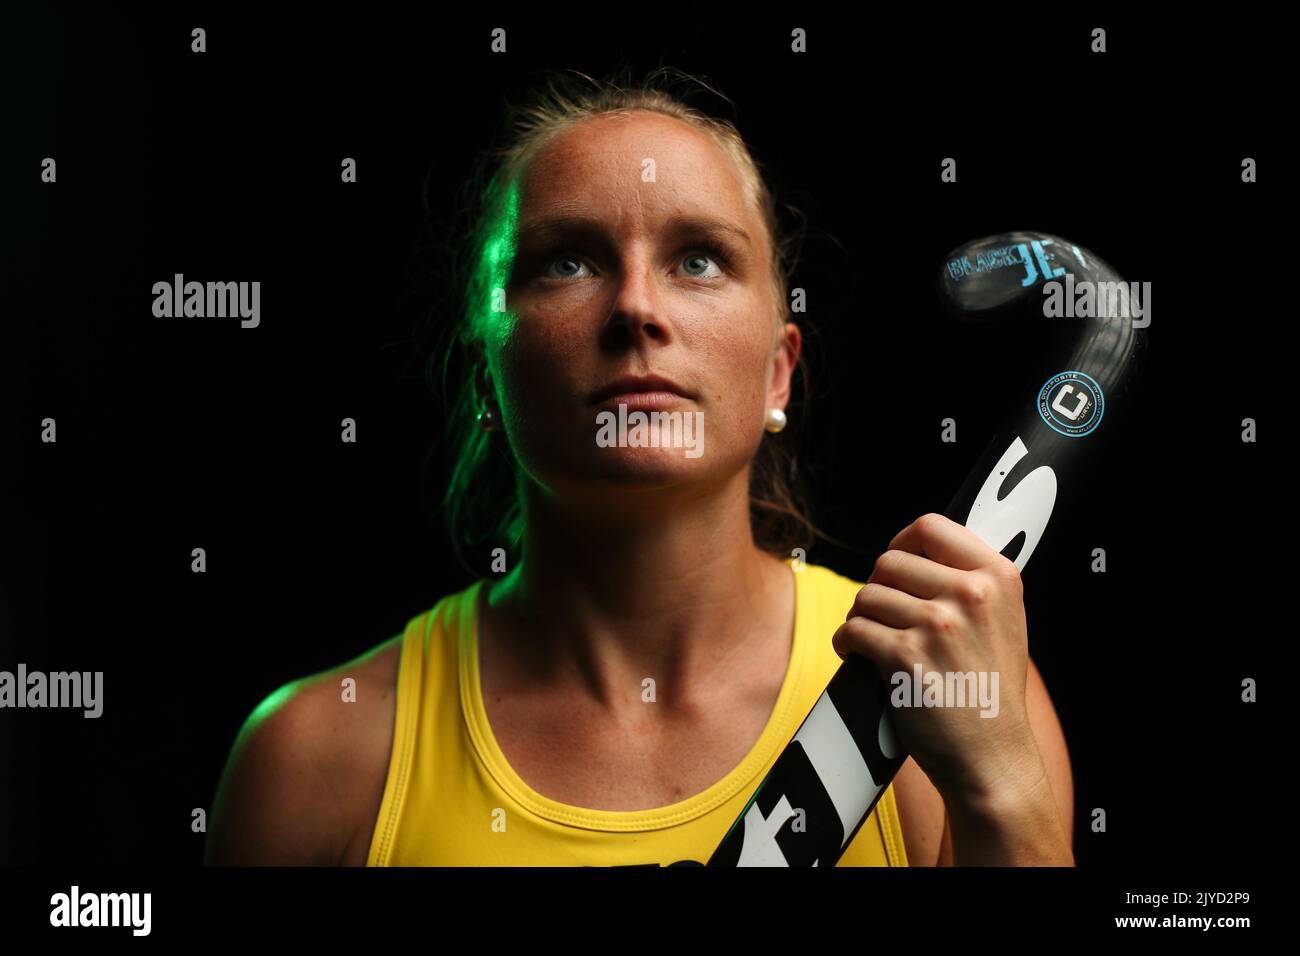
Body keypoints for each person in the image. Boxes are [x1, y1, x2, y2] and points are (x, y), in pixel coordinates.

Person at [205, 67, 1074, 867]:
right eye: (569, 260)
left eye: (698, 259)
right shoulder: (317, 758)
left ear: (778, 370)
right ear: (484, 376)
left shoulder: (945, 683)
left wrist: (1004, 788)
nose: (635, 307)